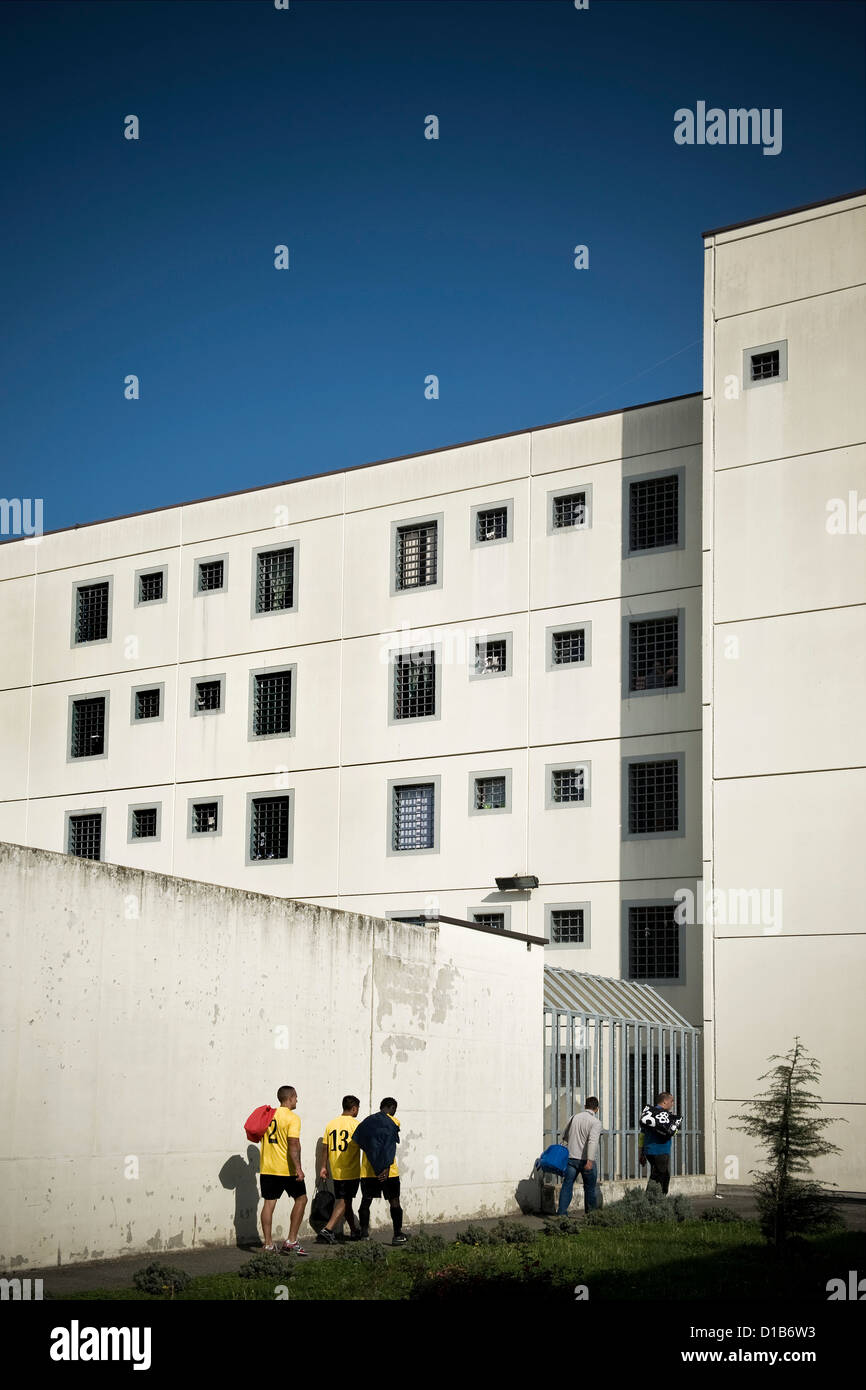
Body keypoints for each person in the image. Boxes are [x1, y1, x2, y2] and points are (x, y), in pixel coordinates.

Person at [353, 1097, 409, 1246]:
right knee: (394, 1201)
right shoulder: (393, 1121)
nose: (394, 1113)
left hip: (368, 1171)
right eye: (394, 1109)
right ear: (391, 1107)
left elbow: (358, 1140)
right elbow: (390, 1146)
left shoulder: (365, 1122)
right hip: (388, 1171)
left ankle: (364, 1234)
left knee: (366, 1201)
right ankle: (397, 1235)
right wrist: (385, 1167)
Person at [259, 1085, 307, 1255]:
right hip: (286, 1169)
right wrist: (298, 1168)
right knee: (301, 1199)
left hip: (267, 1167)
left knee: (269, 1204)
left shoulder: (268, 1115)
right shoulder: (292, 1118)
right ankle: (291, 1241)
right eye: (296, 1097)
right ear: (291, 1097)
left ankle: (268, 1244)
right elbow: (293, 1144)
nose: (297, 1100)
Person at [317, 1094, 362, 1245]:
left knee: (346, 1201)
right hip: (351, 1171)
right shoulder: (356, 1125)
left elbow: (325, 1148)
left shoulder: (331, 1124)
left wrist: (323, 1166)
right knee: (344, 1200)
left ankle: (354, 1230)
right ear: (354, 1108)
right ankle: (328, 1230)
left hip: (336, 1170)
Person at [557, 1097, 603, 1215]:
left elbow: (565, 1136)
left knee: (567, 1185)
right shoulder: (595, 1122)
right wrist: (590, 1160)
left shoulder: (573, 1118)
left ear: (585, 1106)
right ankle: (591, 1215)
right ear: (597, 1109)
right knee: (589, 1188)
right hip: (585, 1160)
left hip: (571, 1158)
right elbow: (592, 1141)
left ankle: (562, 1213)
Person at [638, 1090, 683, 1195]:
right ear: (664, 1102)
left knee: (663, 1175)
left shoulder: (649, 1115)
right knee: (658, 1177)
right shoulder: (665, 1117)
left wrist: (641, 1153)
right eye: (671, 1101)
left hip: (649, 1151)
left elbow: (642, 1135)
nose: (673, 1104)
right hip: (660, 1151)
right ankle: (650, 1201)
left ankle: (659, 1199)